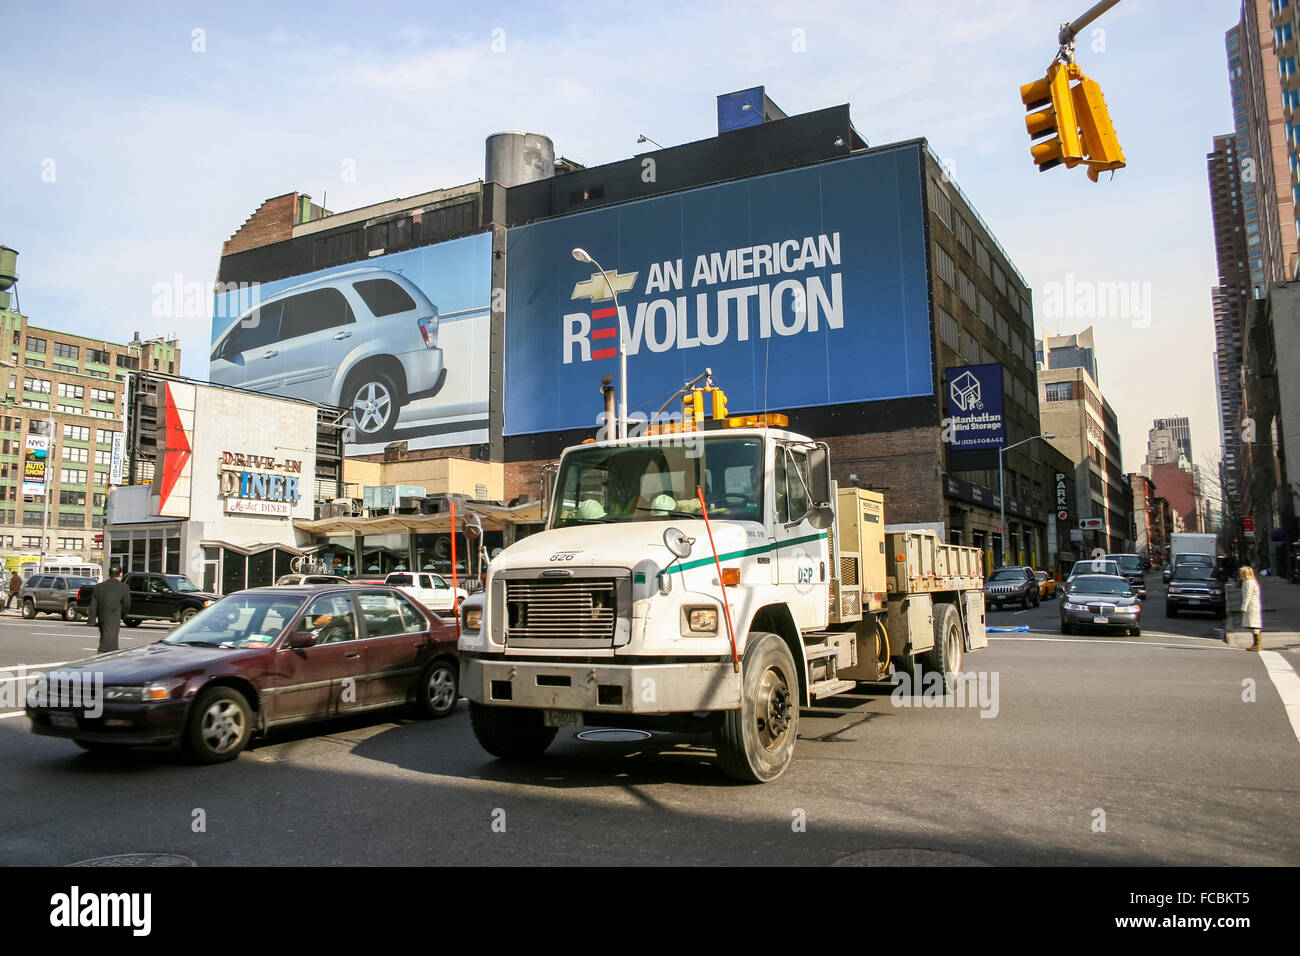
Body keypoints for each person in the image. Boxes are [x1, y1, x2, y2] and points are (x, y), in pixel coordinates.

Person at [87, 565, 132, 654]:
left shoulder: (99, 587)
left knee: (105, 633)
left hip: (102, 615)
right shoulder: (124, 587)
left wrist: (91, 619)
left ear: (108, 574)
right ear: (120, 574)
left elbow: (93, 604)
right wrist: (123, 615)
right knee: (112, 635)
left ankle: (107, 651)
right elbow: (127, 604)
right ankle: (105, 651)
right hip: (115, 614)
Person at [1239, 565, 1262, 652]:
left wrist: (1244, 606)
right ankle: (1256, 644)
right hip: (1253, 604)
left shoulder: (1248, 582)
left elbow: (1247, 596)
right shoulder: (1252, 581)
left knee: (1254, 625)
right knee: (1253, 624)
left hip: (1251, 605)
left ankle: (1257, 644)